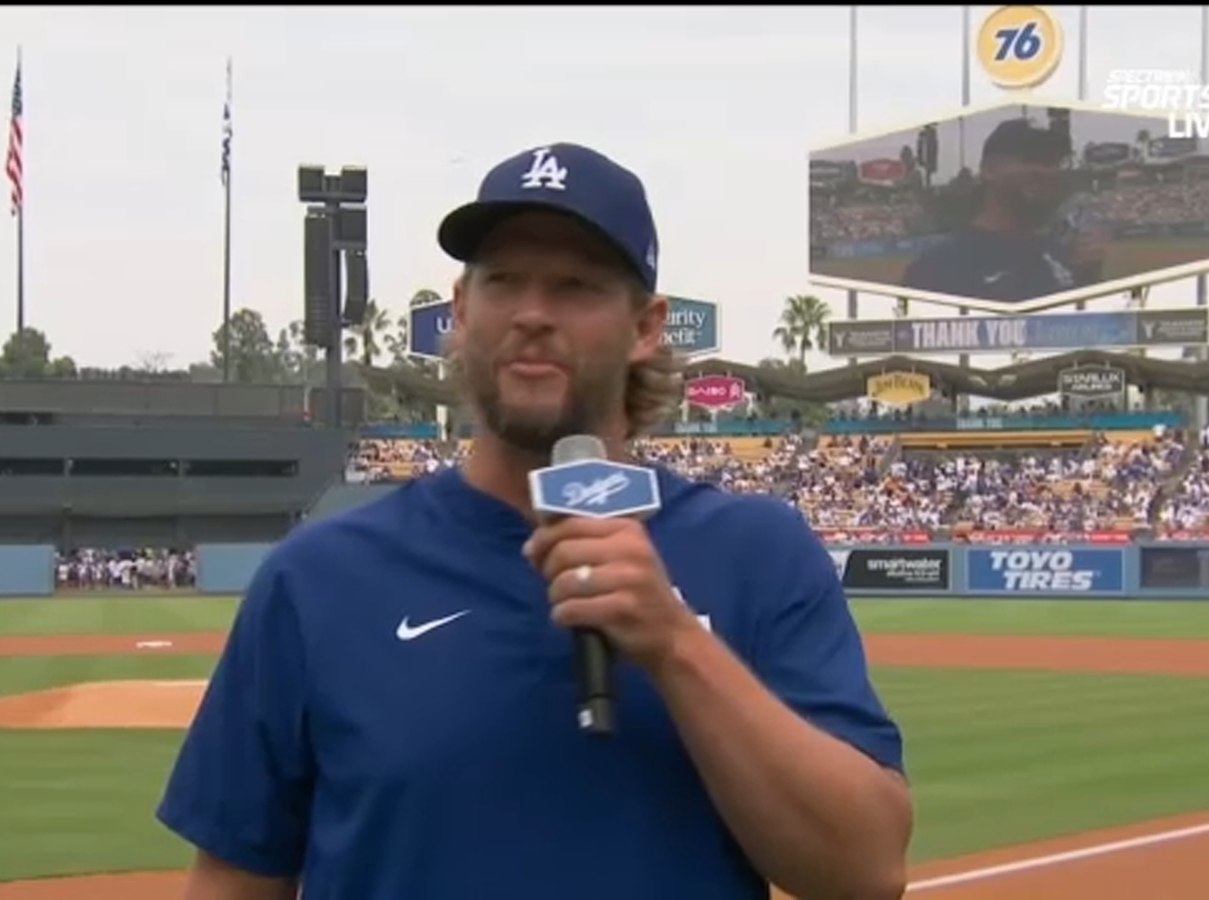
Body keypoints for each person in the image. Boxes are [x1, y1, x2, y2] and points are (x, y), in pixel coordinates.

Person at [155, 142, 912, 900]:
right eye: (503, 282)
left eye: (576, 286)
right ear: (460, 309)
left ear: (646, 327)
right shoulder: (319, 576)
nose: (532, 315)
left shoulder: (758, 553)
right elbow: (235, 877)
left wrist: (676, 644)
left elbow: (864, 871)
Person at [900, 117, 1106, 302]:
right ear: (988, 170)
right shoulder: (939, 266)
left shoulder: (1060, 255)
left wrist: (1086, 281)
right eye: (1030, 160)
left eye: (1051, 163)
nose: (1045, 172)